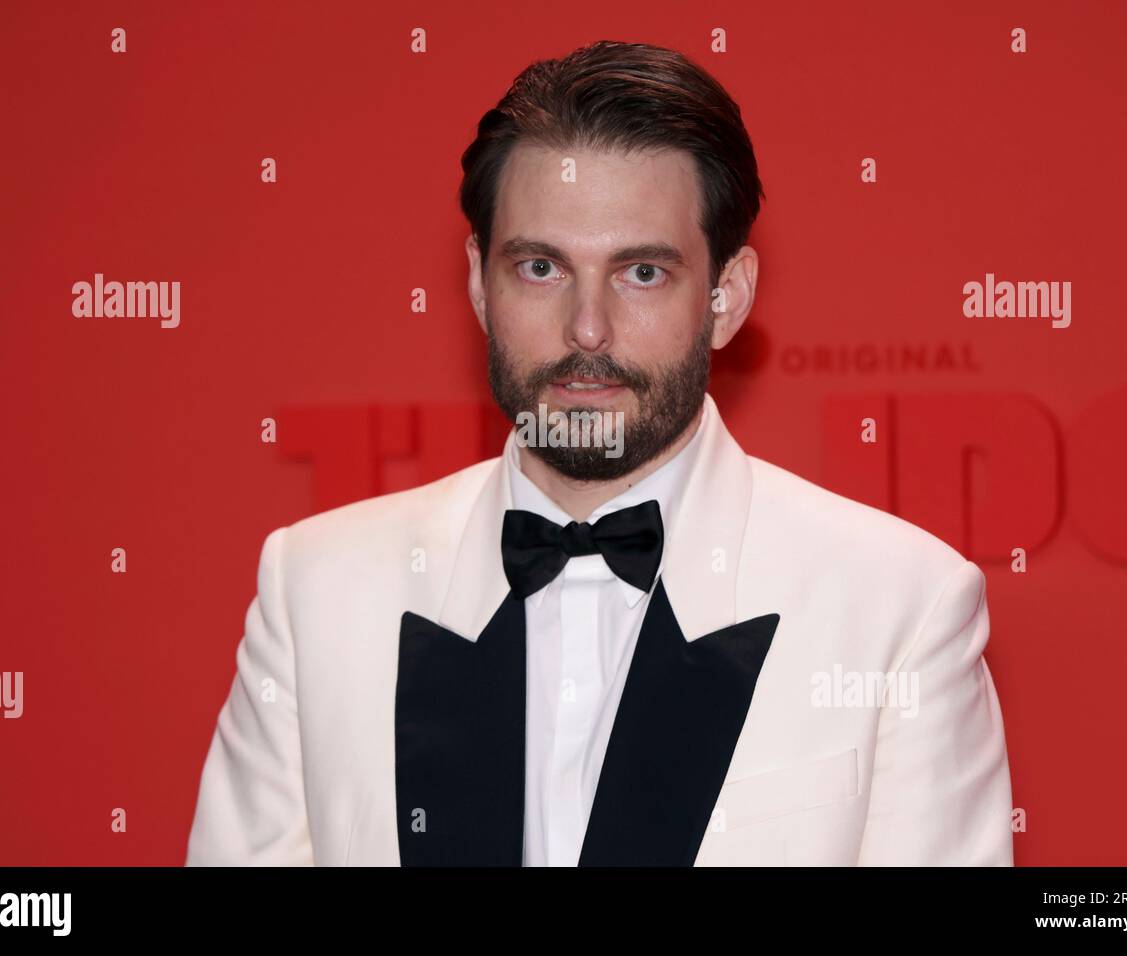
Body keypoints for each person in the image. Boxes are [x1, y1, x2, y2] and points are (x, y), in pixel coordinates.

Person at [185, 39, 1013, 866]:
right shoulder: (317, 589)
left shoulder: (902, 607)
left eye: (642, 272)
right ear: (480, 285)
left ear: (727, 297)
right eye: (541, 267)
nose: (588, 330)